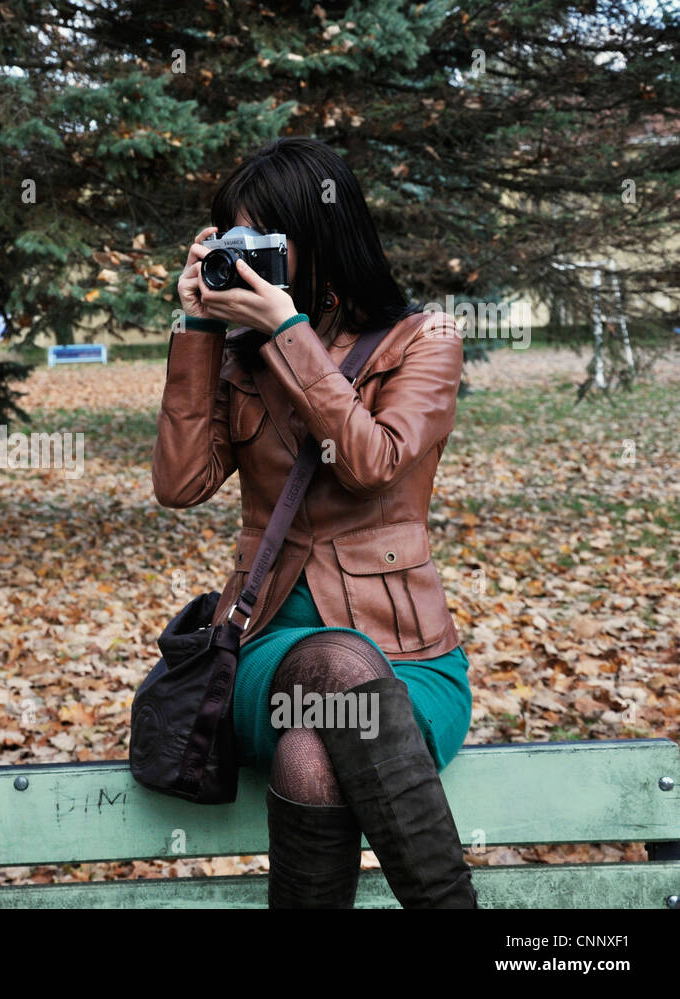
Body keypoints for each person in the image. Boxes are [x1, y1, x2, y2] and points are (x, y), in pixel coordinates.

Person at [152, 136, 477, 908]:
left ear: (320, 235)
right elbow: (180, 481)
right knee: (333, 663)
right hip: (263, 652)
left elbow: (371, 461)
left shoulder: (424, 342)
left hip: (409, 661)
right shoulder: (239, 355)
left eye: (262, 238)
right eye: (231, 241)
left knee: (312, 755)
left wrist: (289, 333)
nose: (248, 257)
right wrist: (198, 328)